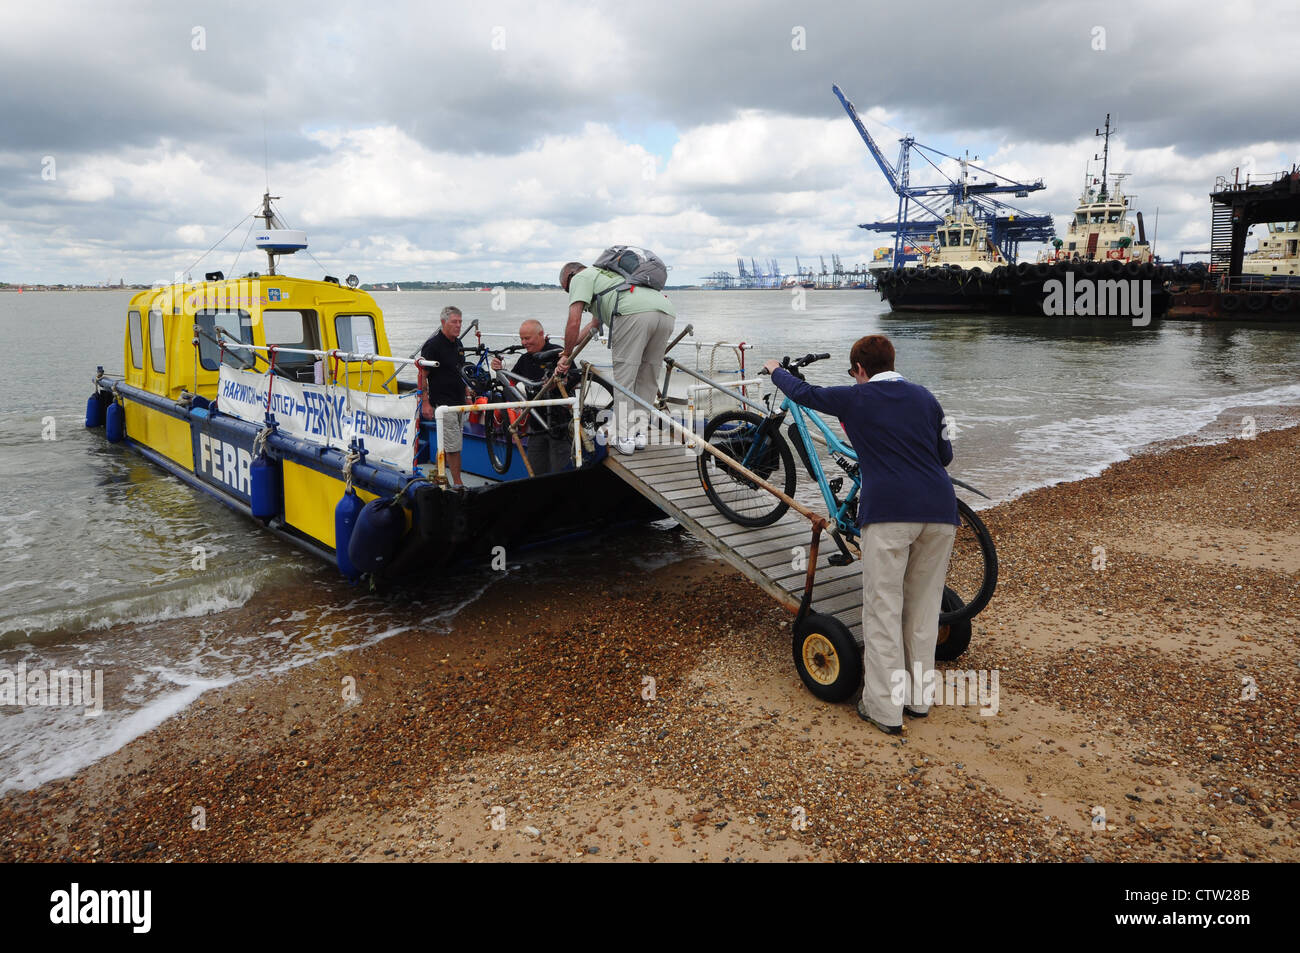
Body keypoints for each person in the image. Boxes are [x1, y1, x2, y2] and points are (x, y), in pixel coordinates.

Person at [764, 335, 959, 736]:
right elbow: (945, 456)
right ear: (892, 360)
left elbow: (804, 392)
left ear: (860, 370)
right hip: (940, 512)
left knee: (883, 609)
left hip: (890, 514)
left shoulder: (858, 397)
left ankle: (884, 710)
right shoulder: (925, 397)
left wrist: (775, 371)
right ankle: (918, 700)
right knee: (922, 610)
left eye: (854, 374)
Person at [556, 259, 675, 455]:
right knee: (648, 377)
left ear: (571, 276)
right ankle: (639, 434)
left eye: (567, 290)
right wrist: (572, 343)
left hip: (632, 314)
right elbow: (594, 325)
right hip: (666, 312)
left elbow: (574, 320)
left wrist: (566, 355)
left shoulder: (580, 277)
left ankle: (623, 437)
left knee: (624, 379)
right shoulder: (611, 278)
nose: (570, 293)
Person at [490, 319, 577, 475]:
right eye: (522, 339)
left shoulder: (559, 353)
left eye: (527, 338)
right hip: (536, 425)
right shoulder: (525, 359)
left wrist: (558, 383)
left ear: (541, 335)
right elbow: (511, 384)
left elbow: (575, 379)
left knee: (562, 472)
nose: (524, 343)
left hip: (561, 425)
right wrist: (500, 370)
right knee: (535, 472)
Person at [419, 306, 473, 486]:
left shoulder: (458, 344)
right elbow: (422, 375)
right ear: (443, 322)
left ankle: (436, 474)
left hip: (458, 401)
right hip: (443, 403)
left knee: (446, 442)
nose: (458, 326)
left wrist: (467, 395)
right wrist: (425, 402)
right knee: (454, 447)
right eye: (454, 322)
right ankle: (458, 484)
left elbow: (460, 372)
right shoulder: (433, 345)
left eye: (460, 322)